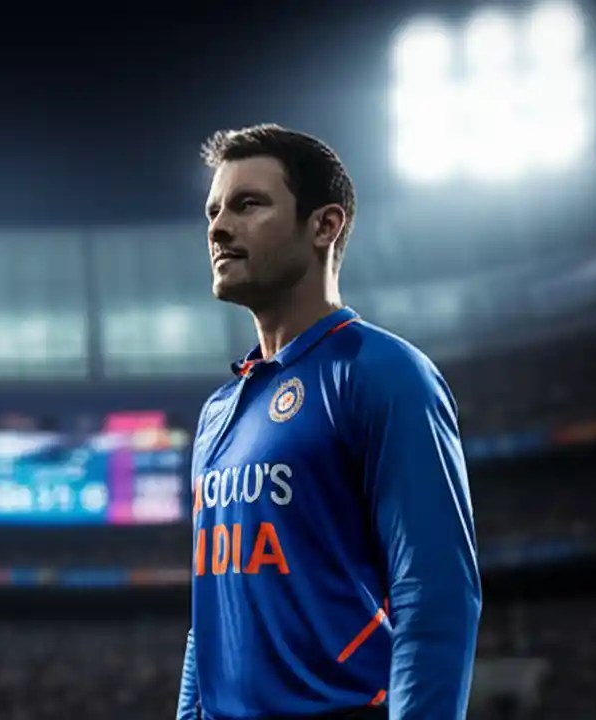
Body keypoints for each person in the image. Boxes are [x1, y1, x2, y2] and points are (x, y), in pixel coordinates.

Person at [177, 124, 481, 719]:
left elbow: (436, 594)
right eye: (214, 210)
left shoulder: (384, 373)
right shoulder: (217, 413)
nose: (217, 228)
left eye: (247, 205)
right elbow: (209, 616)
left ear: (324, 225)